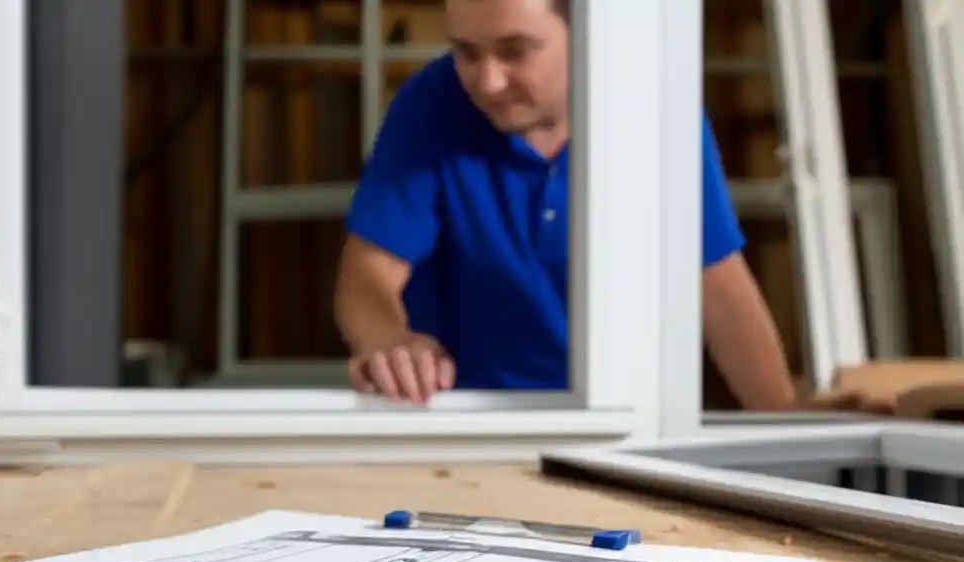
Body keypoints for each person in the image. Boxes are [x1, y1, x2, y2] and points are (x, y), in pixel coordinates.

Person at [334, 0, 813, 411]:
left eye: (515, 51)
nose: (488, 81)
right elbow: (367, 274)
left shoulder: (651, 104)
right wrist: (389, 342)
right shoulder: (432, 103)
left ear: (583, 31)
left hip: (623, 419)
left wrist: (789, 433)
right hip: (468, 419)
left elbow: (718, 288)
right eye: (467, 52)